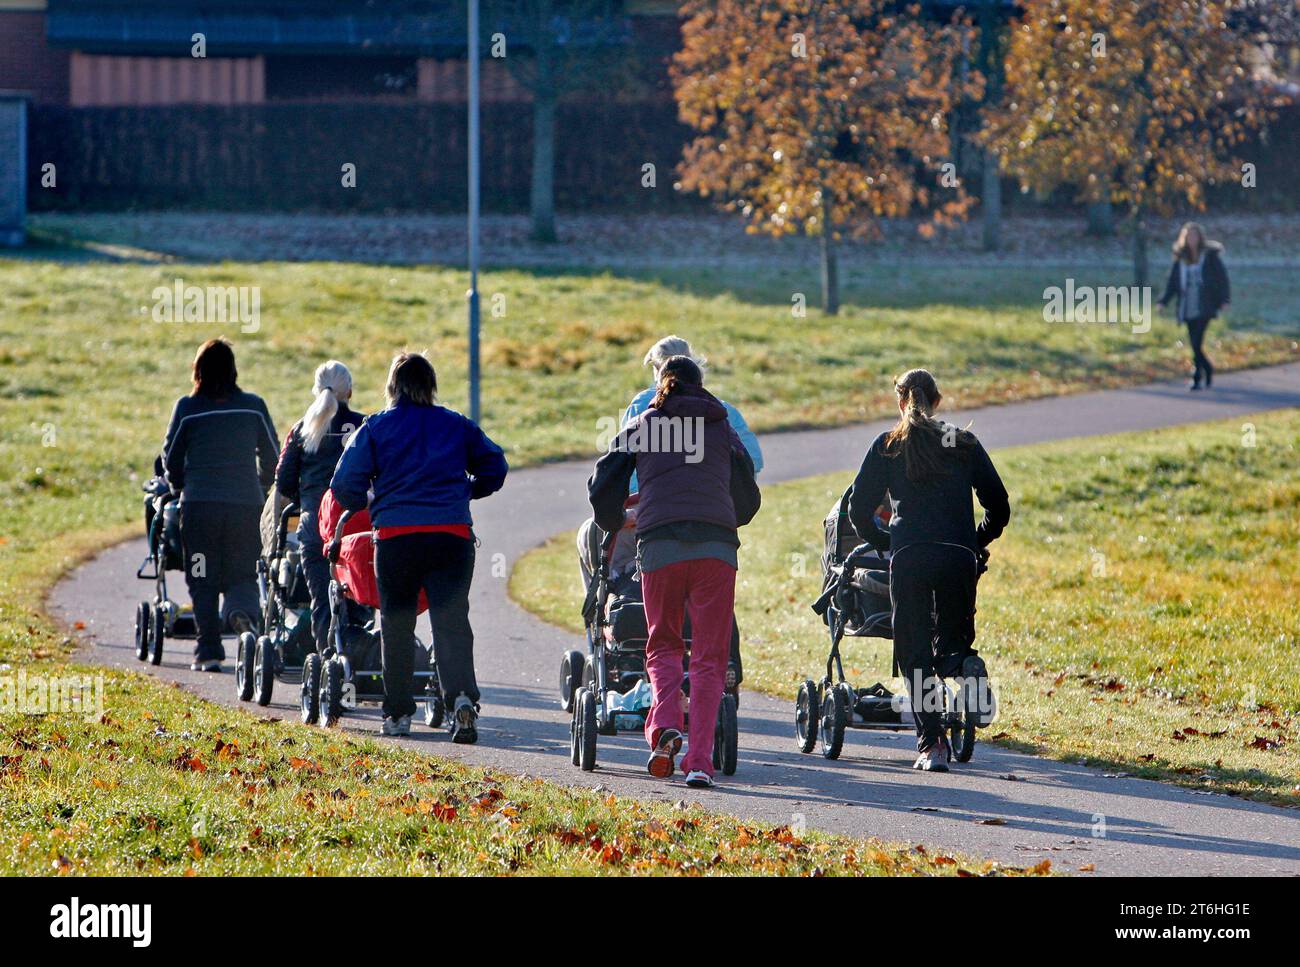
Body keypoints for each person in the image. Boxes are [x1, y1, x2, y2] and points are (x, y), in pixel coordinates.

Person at [590, 355, 760, 788]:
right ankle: (700, 762)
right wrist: (727, 517)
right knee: (708, 655)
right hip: (715, 548)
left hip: (660, 544)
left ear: (663, 385)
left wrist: (613, 520)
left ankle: (664, 728)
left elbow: (603, 479)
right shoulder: (721, 425)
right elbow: (748, 492)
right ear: (700, 386)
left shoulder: (646, 423)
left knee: (662, 642)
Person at [330, 352, 507, 742]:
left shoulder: (376, 427)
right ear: (431, 387)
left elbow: (344, 484)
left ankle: (397, 714)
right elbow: (495, 466)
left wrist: (371, 501)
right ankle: (461, 698)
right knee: (452, 622)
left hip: (397, 539)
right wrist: (467, 492)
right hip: (452, 536)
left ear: (392, 388)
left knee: (396, 623)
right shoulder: (456, 424)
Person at [847, 369, 1009, 773]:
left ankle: (933, 745)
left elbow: (857, 508)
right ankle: (964, 667)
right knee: (953, 642)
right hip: (957, 556)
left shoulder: (888, 444)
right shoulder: (962, 442)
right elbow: (999, 504)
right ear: (937, 402)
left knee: (914, 651)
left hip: (911, 556)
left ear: (900, 402)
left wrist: (885, 542)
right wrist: (975, 541)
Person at [622, 335, 761, 693]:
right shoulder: (721, 411)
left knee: (626, 577)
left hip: (648, 517)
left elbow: (621, 467)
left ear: (658, 370)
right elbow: (753, 461)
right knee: (713, 600)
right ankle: (727, 664)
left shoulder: (642, 408)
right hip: (712, 520)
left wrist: (632, 507)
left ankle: (632, 661)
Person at [162, 338, 278, 672]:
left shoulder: (187, 408)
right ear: (233, 370)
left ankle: (209, 650)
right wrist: (262, 485)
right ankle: (240, 615)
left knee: (201, 575)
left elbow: (171, 460)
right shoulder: (253, 406)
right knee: (242, 571)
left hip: (199, 509)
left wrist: (180, 485)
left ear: (197, 371)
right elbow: (273, 455)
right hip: (245, 507)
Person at [274, 361, 366, 655]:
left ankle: (328, 662)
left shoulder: (302, 430)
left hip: (316, 529)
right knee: (361, 594)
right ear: (349, 391)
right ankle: (360, 653)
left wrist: (307, 502)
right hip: (358, 528)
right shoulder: (366, 427)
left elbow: (284, 480)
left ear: (316, 390)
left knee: (323, 601)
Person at [1157, 222, 1230, 391]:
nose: (1192, 239)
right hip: (1187, 305)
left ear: (1200, 237)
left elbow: (1222, 278)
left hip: (1205, 304)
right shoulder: (1180, 258)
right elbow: (1172, 283)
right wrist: (1163, 301)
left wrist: (1224, 299)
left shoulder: (1210, 257)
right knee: (1194, 342)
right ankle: (1207, 368)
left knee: (1197, 342)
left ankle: (1197, 376)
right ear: (1184, 238)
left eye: (1195, 235)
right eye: (1189, 236)